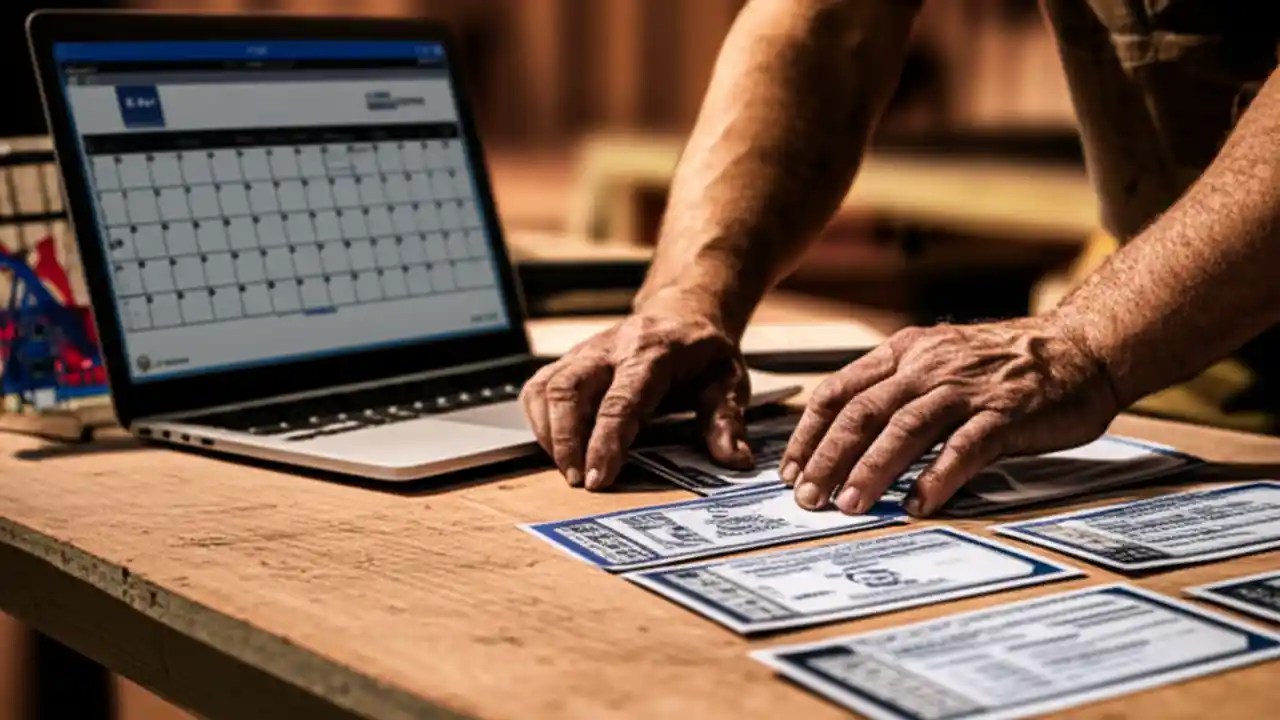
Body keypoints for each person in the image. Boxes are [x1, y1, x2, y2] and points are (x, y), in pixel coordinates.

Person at [520, 0, 1280, 517]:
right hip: (1185, 336)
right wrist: (687, 298)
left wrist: (1084, 340)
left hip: (1145, 322)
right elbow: (819, 28)